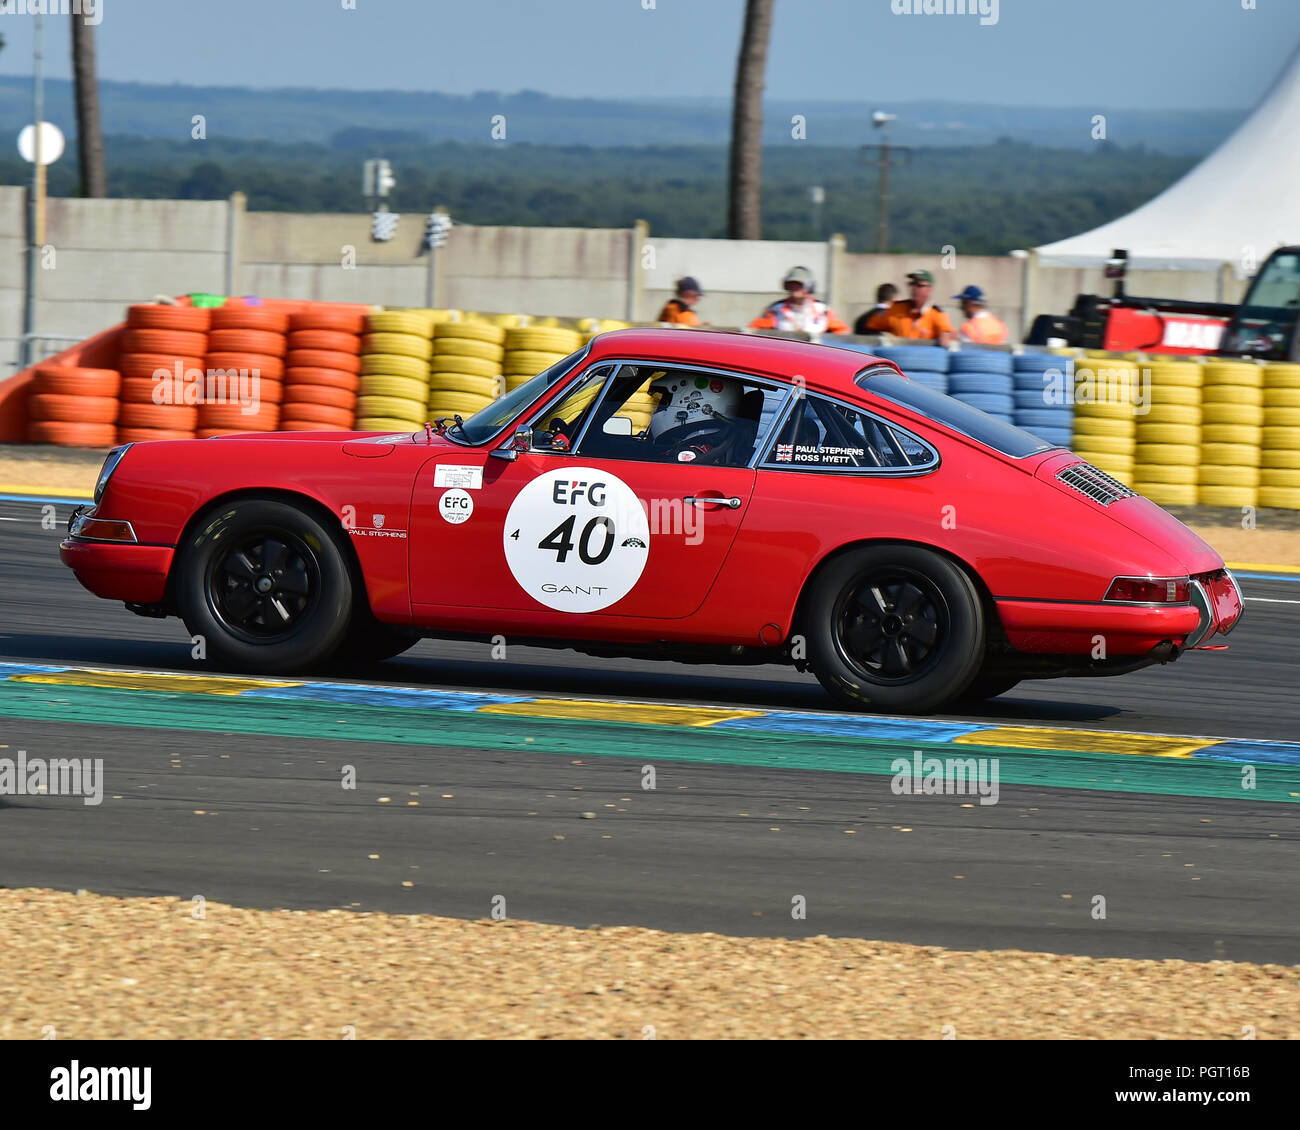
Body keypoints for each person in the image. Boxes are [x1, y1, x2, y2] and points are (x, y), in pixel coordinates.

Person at [647, 371, 748, 464]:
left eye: (664, 402)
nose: (659, 407)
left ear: (705, 408)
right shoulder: (716, 445)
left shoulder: (689, 454)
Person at [749, 266, 849, 335]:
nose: (794, 288)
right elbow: (753, 330)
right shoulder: (776, 309)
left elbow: (842, 332)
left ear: (809, 286)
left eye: (799, 285)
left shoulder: (822, 309)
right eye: (791, 284)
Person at [866, 269, 955, 345]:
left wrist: (944, 337)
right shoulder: (896, 309)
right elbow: (871, 326)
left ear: (929, 290)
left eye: (919, 285)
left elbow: (947, 333)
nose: (914, 288)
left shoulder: (937, 314)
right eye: (912, 284)